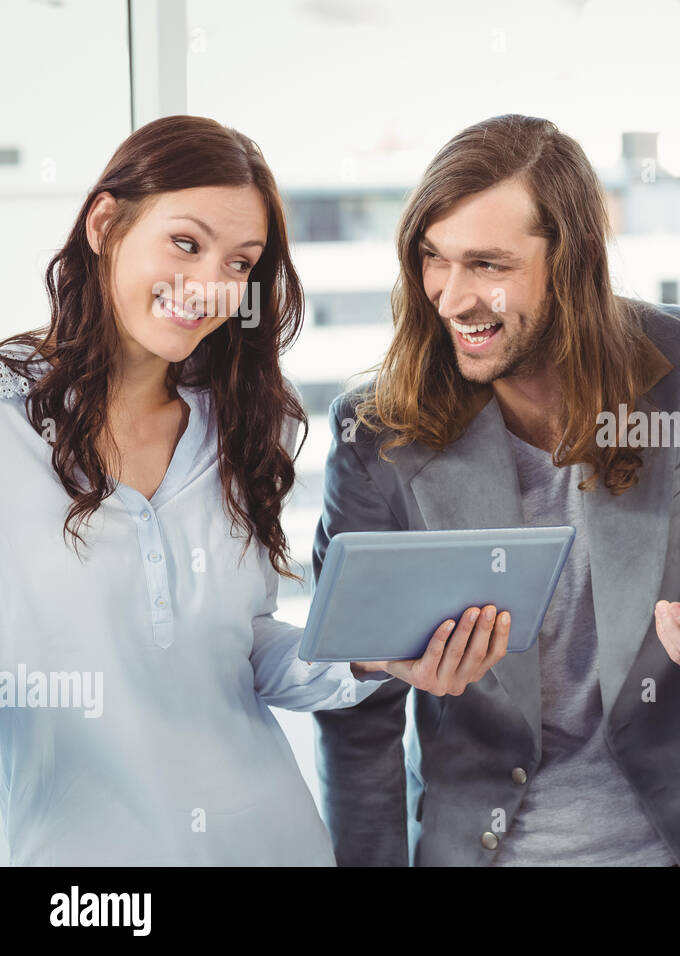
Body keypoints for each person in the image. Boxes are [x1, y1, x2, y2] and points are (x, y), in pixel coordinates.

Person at [312, 114, 680, 866]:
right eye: (434, 259)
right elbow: (357, 707)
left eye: (489, 266)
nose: (452, 297)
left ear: (571, 262)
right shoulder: (375, 434)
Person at [0, 115, 502, 865]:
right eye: (186, 244)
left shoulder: (232, 424)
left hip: (270, 843)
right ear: (105, 222)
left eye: (241, 264)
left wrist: (374, 657)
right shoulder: (9, 420)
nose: (210, 286)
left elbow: (243, 649)